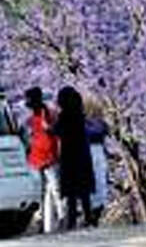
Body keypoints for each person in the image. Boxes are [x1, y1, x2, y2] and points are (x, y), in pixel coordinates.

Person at [53, 86, 95, 230]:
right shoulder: (80, 114)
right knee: (84, 192)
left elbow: (56, 131)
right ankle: (89, 218)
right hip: (83, 155)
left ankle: (72, 222)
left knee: (71, 193)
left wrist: (49, 127)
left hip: (69, 156)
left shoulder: (64, 116)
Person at [23, 86, 63, 233]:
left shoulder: (49, 114)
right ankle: (42, 221)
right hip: (36, 157)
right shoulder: (31, 118)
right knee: (40, 191)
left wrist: (49, 128)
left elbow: (56, 131)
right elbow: (28, 135)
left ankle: (61, 217)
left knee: (55, 188)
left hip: (49, 157)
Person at [85, 96, 109, 226]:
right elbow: (105, 131)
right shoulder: (101, 123)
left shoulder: (84, 123)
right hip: (99, 151)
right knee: (100, 180)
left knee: (92, 180)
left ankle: (93, 209)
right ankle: (98, 206)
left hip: (88, 151)